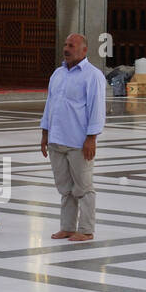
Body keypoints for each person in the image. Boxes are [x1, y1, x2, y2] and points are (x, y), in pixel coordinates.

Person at [40, 32, 106, 242]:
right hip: (56, 140)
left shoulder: (92, 75)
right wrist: (44, 134)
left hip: (79, 142)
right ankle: (67, 227)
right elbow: (50, 105)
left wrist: (91, 138)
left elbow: (97, 109)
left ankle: (86, 229)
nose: (66, 49)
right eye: (66, 45)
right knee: (65, 188)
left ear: (84, 50)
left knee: (84, 188)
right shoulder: (57, 74)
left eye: (72, 45)